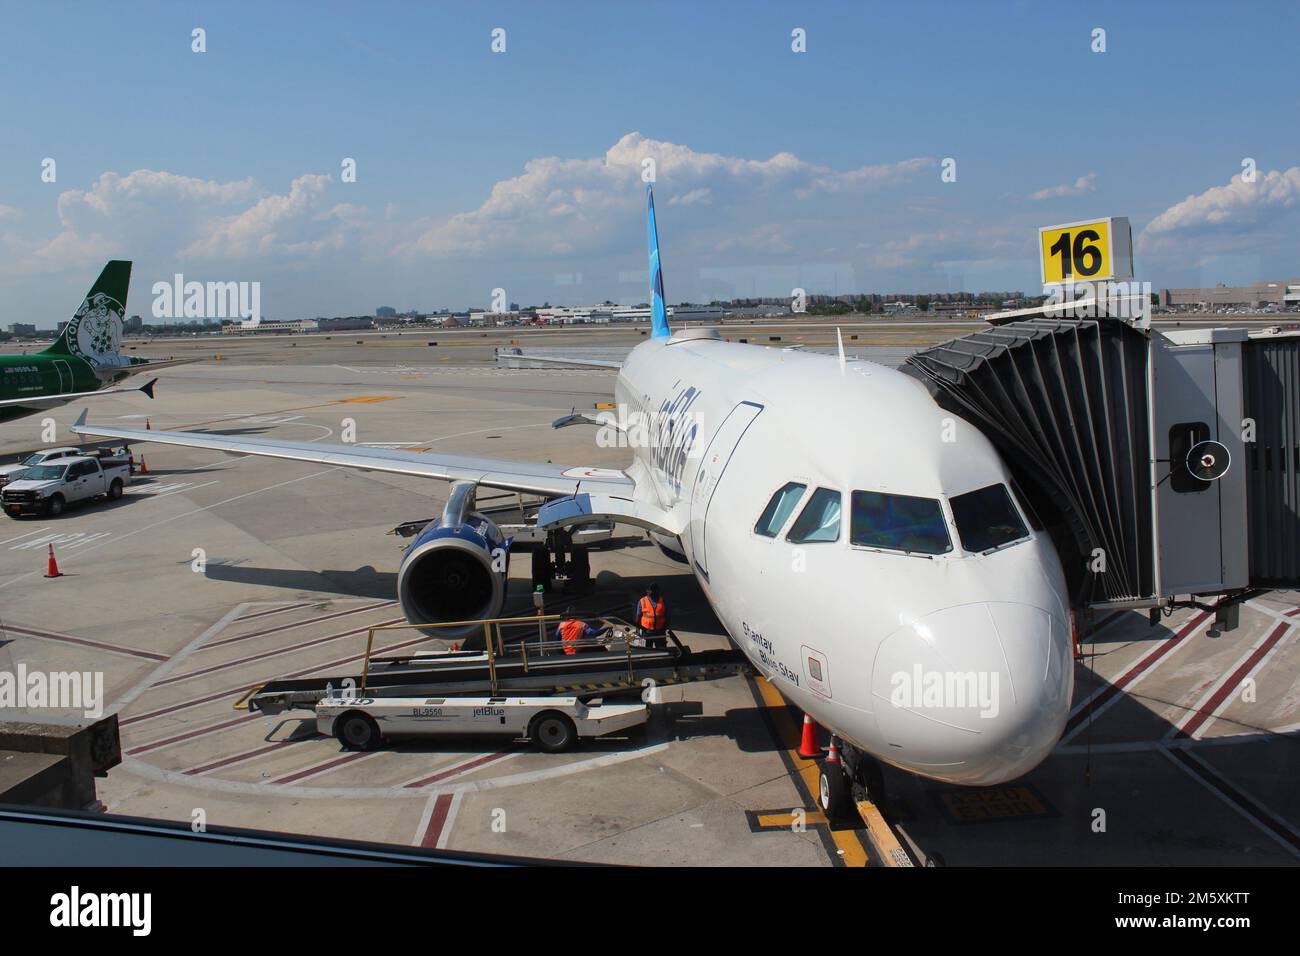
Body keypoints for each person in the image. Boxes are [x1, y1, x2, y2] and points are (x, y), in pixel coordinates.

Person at [636, 584, 669, 649]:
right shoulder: (642, 601)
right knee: (646, 651)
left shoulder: (663, 601)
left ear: (658, 591)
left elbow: (668, 617)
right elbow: (638, 617)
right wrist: (637, 630)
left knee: (662, 651)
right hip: (646, 632)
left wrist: (663, 629)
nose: (651, 593)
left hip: (660, 631)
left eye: (654, 591)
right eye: (650, 591)